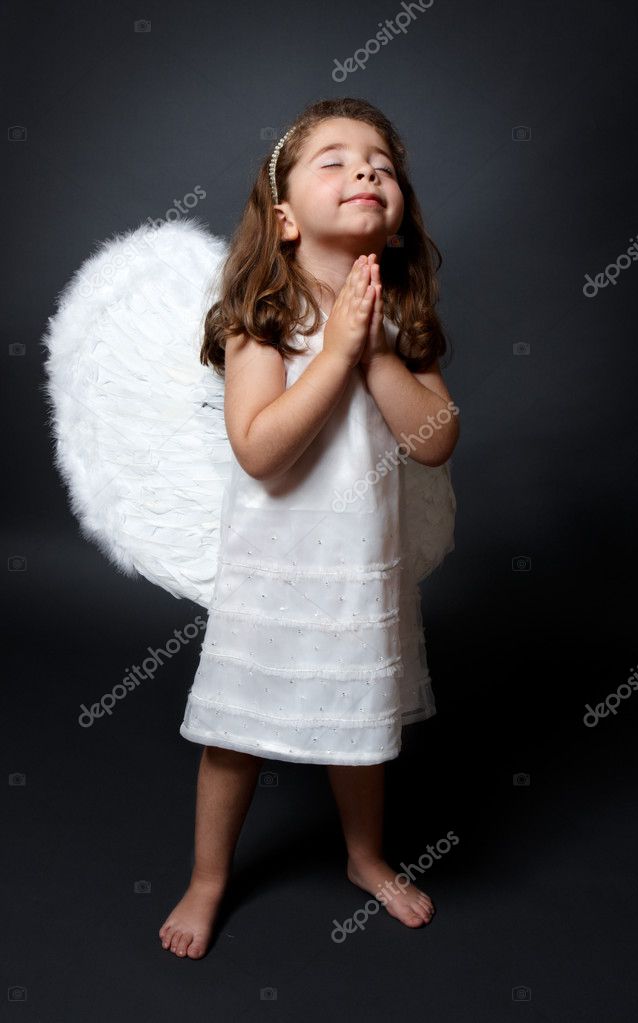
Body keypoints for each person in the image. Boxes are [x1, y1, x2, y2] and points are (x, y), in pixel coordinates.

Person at [159, 97, 460, 959]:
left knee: (361, 722)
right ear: (284, 218)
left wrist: (372, 353)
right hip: (274, 569)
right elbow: (260, 452)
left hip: (360, 568)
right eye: (334, 158)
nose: (366, 170)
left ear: (396, 216)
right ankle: (209, 877)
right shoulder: (265, 318)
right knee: (235, 734)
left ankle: (365, 856)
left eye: (382, 163)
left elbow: (435, 443)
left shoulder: (399, 323)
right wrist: (330, 353)